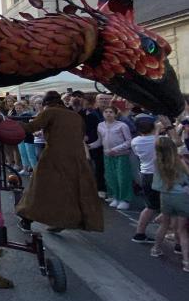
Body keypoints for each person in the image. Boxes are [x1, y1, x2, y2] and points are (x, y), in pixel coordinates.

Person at [16, 91, 104, 233]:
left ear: (46, 103)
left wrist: (12, 123)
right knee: (67, 191)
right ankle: (62, 220)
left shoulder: (50, 111)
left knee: (39, 188)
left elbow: (31, 128)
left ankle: (26, 219)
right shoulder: (75, 116)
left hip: (54, 156)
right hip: (76, 158)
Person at [149, 136, 189, 271]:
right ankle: (186, 262)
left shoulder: (157, 162)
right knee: (182, 230)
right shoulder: (179, 161)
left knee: (164, 225)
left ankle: (155, 248)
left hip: (165, 196)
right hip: (181, 197)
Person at [90, 106, 134, 210]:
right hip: (107, 155)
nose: (108, 114)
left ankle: (125, 199)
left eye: (111, 112)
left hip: (121, 155)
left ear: (115, 114)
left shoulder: (122, 125)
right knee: (111, 177)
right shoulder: (100, 126)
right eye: (106, 112)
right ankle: (116, 197)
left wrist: (116, 149)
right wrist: (90, 146)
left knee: (122, 177)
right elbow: (100, 141)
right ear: (103, 114)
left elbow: (129, 141)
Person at [130, 116, 160, 243]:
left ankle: (140, 233)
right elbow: (176, 143)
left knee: (150, 206)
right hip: (158, 175)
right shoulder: (160, 139)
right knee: (167, 206)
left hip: (145, 174)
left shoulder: (135, 141)